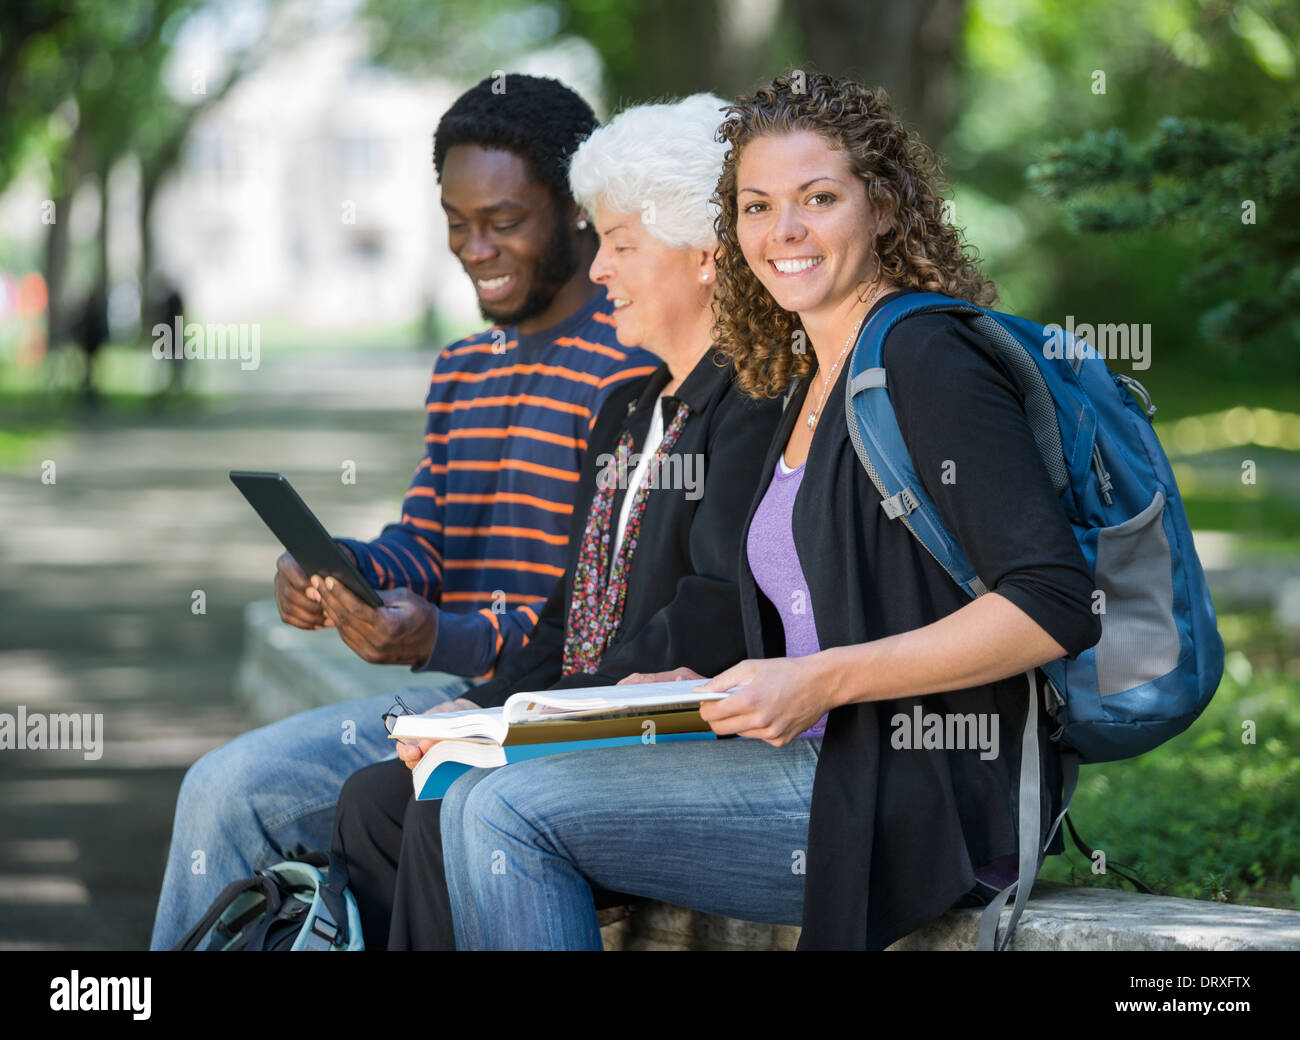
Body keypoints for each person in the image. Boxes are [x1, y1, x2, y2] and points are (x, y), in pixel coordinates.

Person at [434, 70, 1103, 950]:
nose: (783, 231)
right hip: (818, 758)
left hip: (922, 786)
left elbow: (1053, 602)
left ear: (887, 208)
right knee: (470, 787)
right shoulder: (808, 378)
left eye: (818, 198)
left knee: (508, 811)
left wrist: (822, 680)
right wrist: (707, 686)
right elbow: (830, 607)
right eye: (755, 206)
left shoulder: (926, 353)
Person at [148, 74, 658, 950]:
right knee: (220, 782)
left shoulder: (635, 364)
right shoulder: (462, 367)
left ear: (578, 211)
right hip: (449, 696)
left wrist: (438, 639)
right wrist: (346, 570)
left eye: (504, 221)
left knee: (232, 795)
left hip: (542, 711)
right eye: (456, 222)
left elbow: (593, 625)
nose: (475, 247)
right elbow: (425, 538)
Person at [328, 94, 788, 950]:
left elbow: (713, 617)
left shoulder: (758, 404)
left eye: (619, 244)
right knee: (377, 798)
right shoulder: (626, 409)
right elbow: (562, 623)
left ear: (705, 258)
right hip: (578, 712)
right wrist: (473, 714)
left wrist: (526, 722)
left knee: (448, 795)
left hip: (666, 731)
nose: (599, 268)